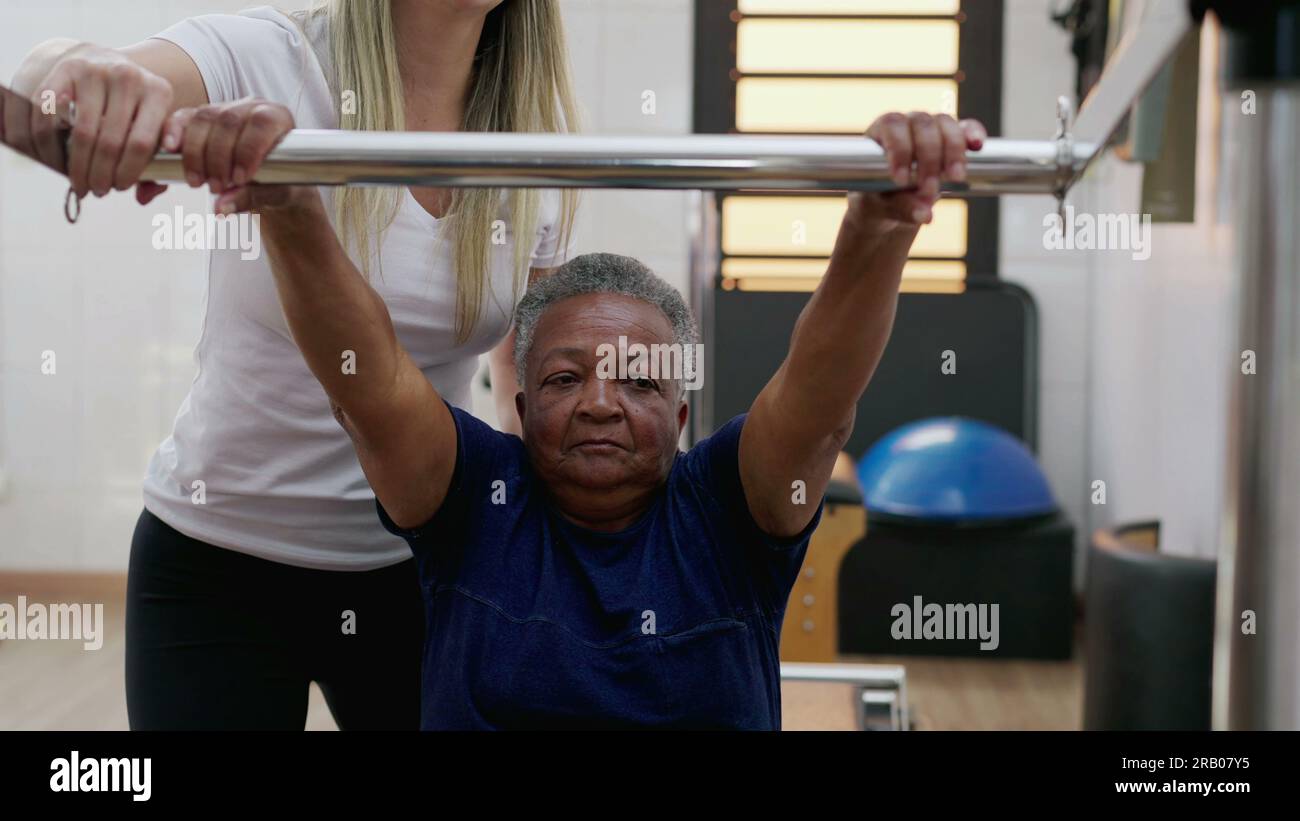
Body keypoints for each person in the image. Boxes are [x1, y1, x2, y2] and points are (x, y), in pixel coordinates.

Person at [200, 102, 987, 728]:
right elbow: (366, 387)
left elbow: (820, 401)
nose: (600, 402)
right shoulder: (475, 498)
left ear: (682, 415)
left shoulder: (727, 511)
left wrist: (877, 229)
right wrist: (291, 212)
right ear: (520, 404)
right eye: (566, 377)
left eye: (638, 381)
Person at [10, 0, 580, 730]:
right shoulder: (271, 56)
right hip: (218, 562)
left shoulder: (536, 136)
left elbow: (524, 390)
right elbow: (43, 95)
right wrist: (71, 75)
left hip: (420, 566)